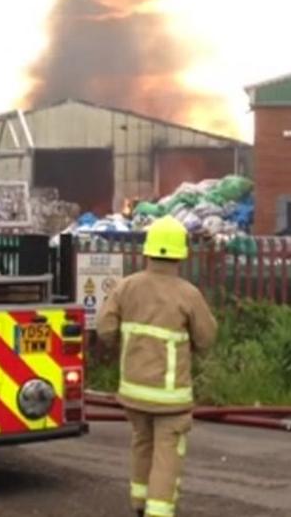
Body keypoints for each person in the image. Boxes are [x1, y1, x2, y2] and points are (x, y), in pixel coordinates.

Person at [97, 216, 218, 517]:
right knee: (167, 453)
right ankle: (159, 512)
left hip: (133, 392)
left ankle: (139, 504)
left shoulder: (126, 287)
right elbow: (206, 338)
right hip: (170, 397)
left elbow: (104, 328)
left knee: (141, 444)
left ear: (147, 251)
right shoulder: (187, 294)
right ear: (180, 254)